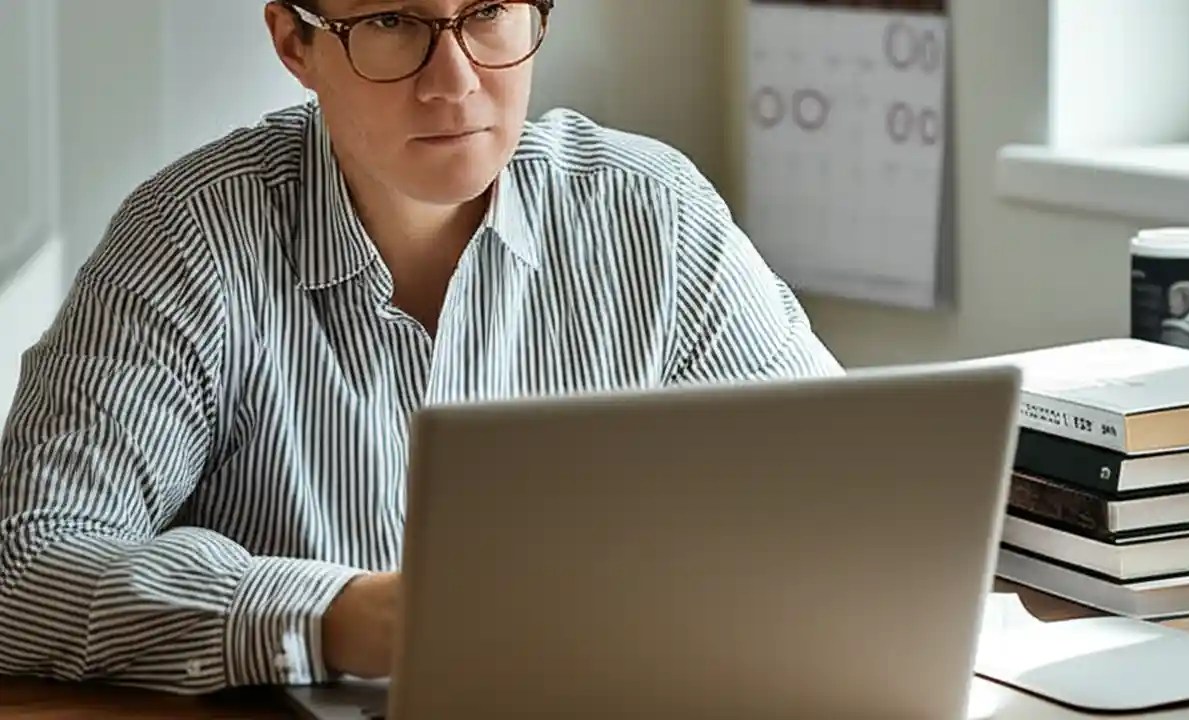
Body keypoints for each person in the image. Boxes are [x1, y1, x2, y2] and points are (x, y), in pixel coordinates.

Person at [0, 0, 841, 695]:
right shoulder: (191, 241)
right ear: (295, 42)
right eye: (393, 24)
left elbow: (839, 498)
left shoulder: (653, 215)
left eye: (488, 14)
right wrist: (340, 616)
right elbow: (27, 564)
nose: (455, 81)